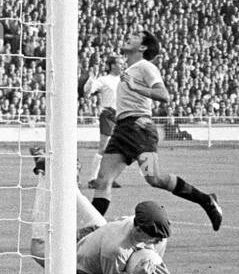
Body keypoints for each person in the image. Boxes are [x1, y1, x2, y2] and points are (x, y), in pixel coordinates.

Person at [92, 29, 223, 230]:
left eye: (135, 36)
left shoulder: (145, 66)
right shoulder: (129, 71)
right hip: (122, 130)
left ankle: (206, 200)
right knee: (102, 180)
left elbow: (164, 95)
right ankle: (92, 230)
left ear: (143, 47)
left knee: (154, 178)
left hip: (139, 128)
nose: (128, 36)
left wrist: (136, 88)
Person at [29, 178, 172, 274]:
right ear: (138, 229)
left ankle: (67, 176)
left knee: (73, 191)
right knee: (38, 245)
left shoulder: (141, 227)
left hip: (98, 230)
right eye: (153, 238)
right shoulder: (116, 249)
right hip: (69, 258)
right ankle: (44, 172)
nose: (158, 242)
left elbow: (152, 258)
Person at [82, 55, 123, 187]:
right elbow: (87, 92)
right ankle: (92, 179)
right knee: (103, 147)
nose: (122, 65)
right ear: (112, 65)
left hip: (121, 115)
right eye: (119, 63)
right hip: (108, 114)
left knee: (117, 149)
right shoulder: (104, 80)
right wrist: (90, 80)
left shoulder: (125, 80)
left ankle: (108, 177)